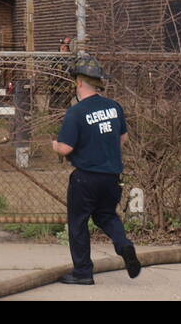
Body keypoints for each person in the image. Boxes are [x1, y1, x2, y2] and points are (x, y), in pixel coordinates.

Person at [51, 54, 140, 285]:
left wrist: (54, 145)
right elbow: (123, 138)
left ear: (79, 82)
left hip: (85, 178)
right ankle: (124, 245)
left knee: (78, 223)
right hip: (111, 177)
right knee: (107, 215)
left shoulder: (76, 112)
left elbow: (65, 147)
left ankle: (82, 273)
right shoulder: (114, 107)